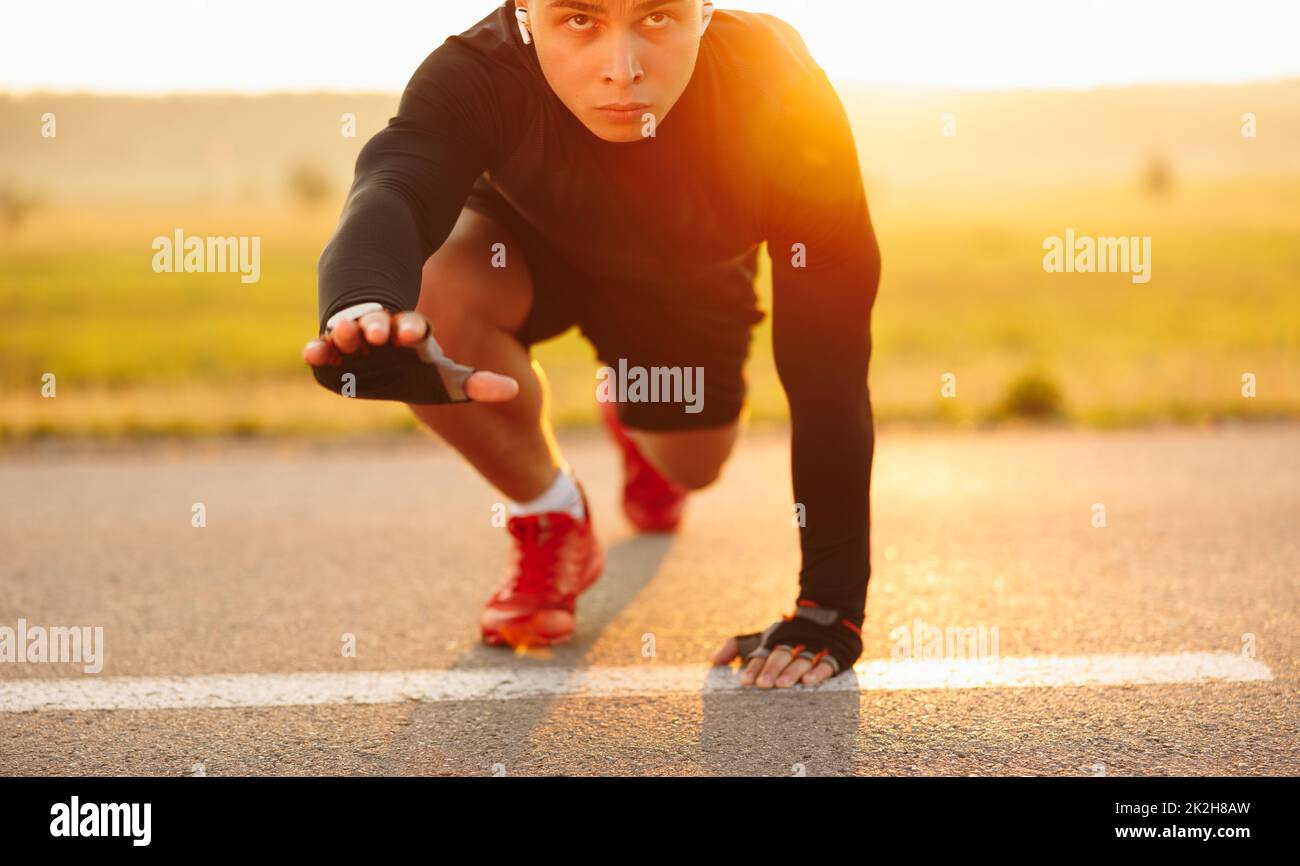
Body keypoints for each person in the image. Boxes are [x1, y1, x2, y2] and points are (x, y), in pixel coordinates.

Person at [302, 0, 881, 689]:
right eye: (580, 19)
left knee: (695, 465)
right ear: (524, 13)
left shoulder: (780, 94)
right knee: (430, 291)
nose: (622, 70)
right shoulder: (478, 70)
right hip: (524, 250)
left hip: (686, 283)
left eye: (658, 19)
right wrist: (360, 307)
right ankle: (550, 516)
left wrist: (829, 608)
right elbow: (393, 182)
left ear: (705, 11)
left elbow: (829, 370)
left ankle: (635, 411)